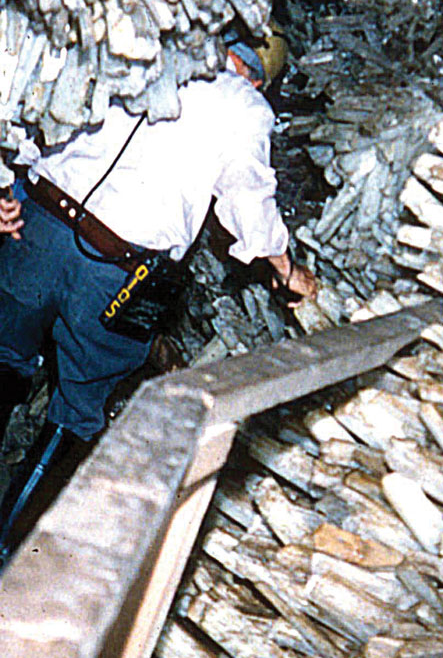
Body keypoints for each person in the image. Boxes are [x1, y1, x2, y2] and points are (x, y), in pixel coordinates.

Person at [0, 38, 316, 541]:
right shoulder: (244, 105)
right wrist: (286, 268)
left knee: (4, 354)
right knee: (80, 410)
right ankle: (8, 548)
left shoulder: (151, 49)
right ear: (259, 80)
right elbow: (248, 199)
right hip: (112, 271)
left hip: (37, 226)